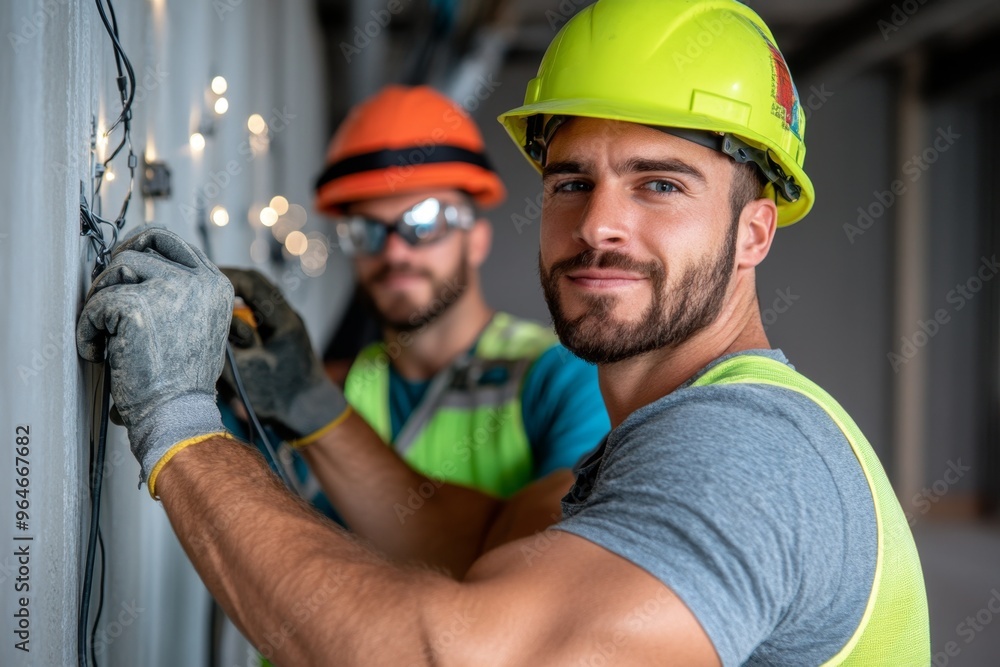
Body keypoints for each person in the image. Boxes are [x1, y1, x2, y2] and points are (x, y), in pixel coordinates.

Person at [76, 1, 930, 664]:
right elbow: (483, 544)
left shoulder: (748, 449)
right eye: (571, 182)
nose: (599, 225)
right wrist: (314, 406)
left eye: (659, 185)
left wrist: (180, 423)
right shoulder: (667, 430)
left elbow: (452, 653)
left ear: (754, 231)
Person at [220, 85, 609, 533]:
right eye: (367, 230)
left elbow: (553, 562)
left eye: (424, 221)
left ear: (477, 238)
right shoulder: (324, 388)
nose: (396, 253)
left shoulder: (565, 380)